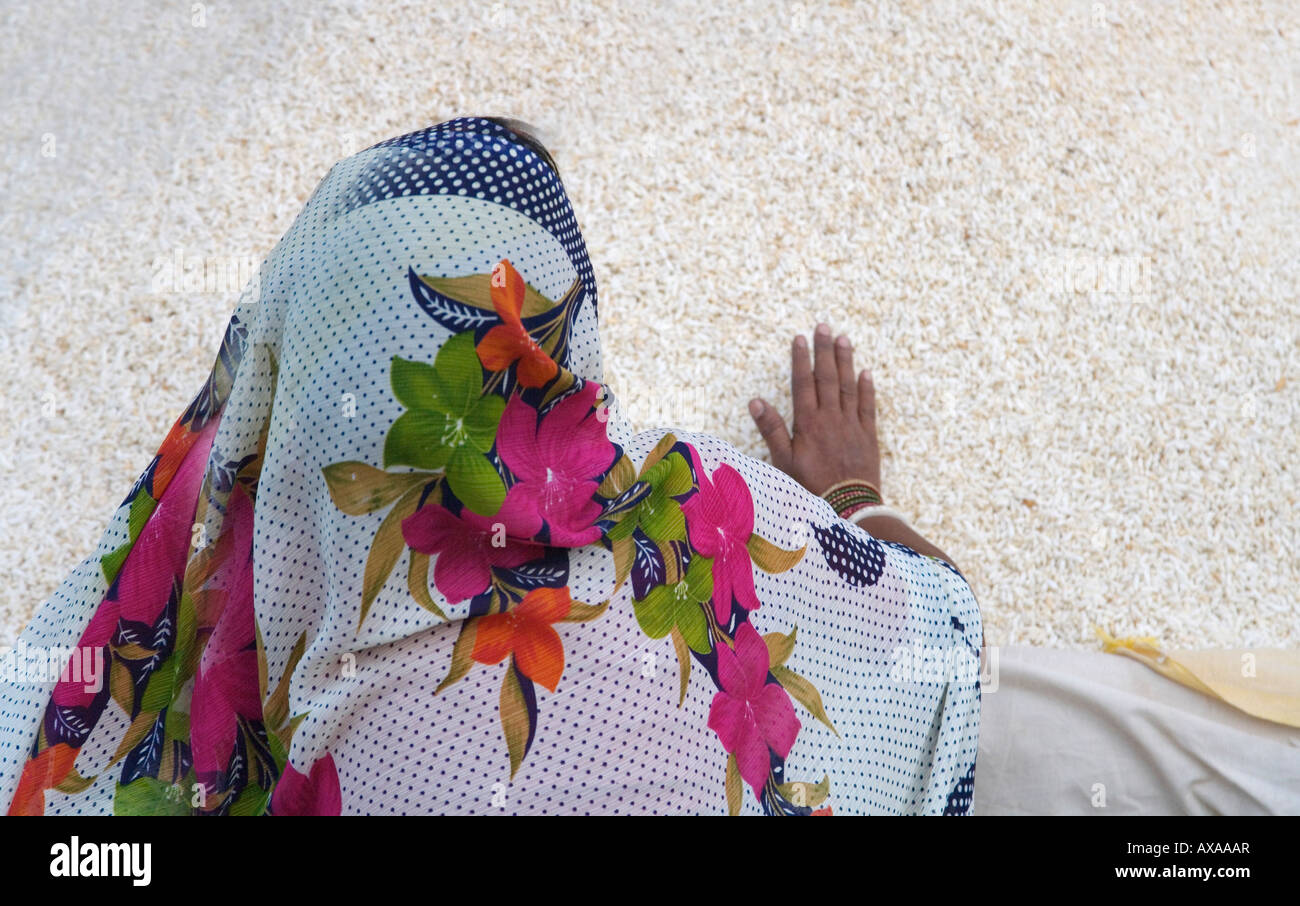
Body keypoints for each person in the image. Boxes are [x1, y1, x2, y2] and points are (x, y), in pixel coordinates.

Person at [0, 116, 981, 815]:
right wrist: (851, 497)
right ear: (566, 338)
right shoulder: (691, 514)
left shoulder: (218, 649)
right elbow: (941, 640)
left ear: (277, 373)